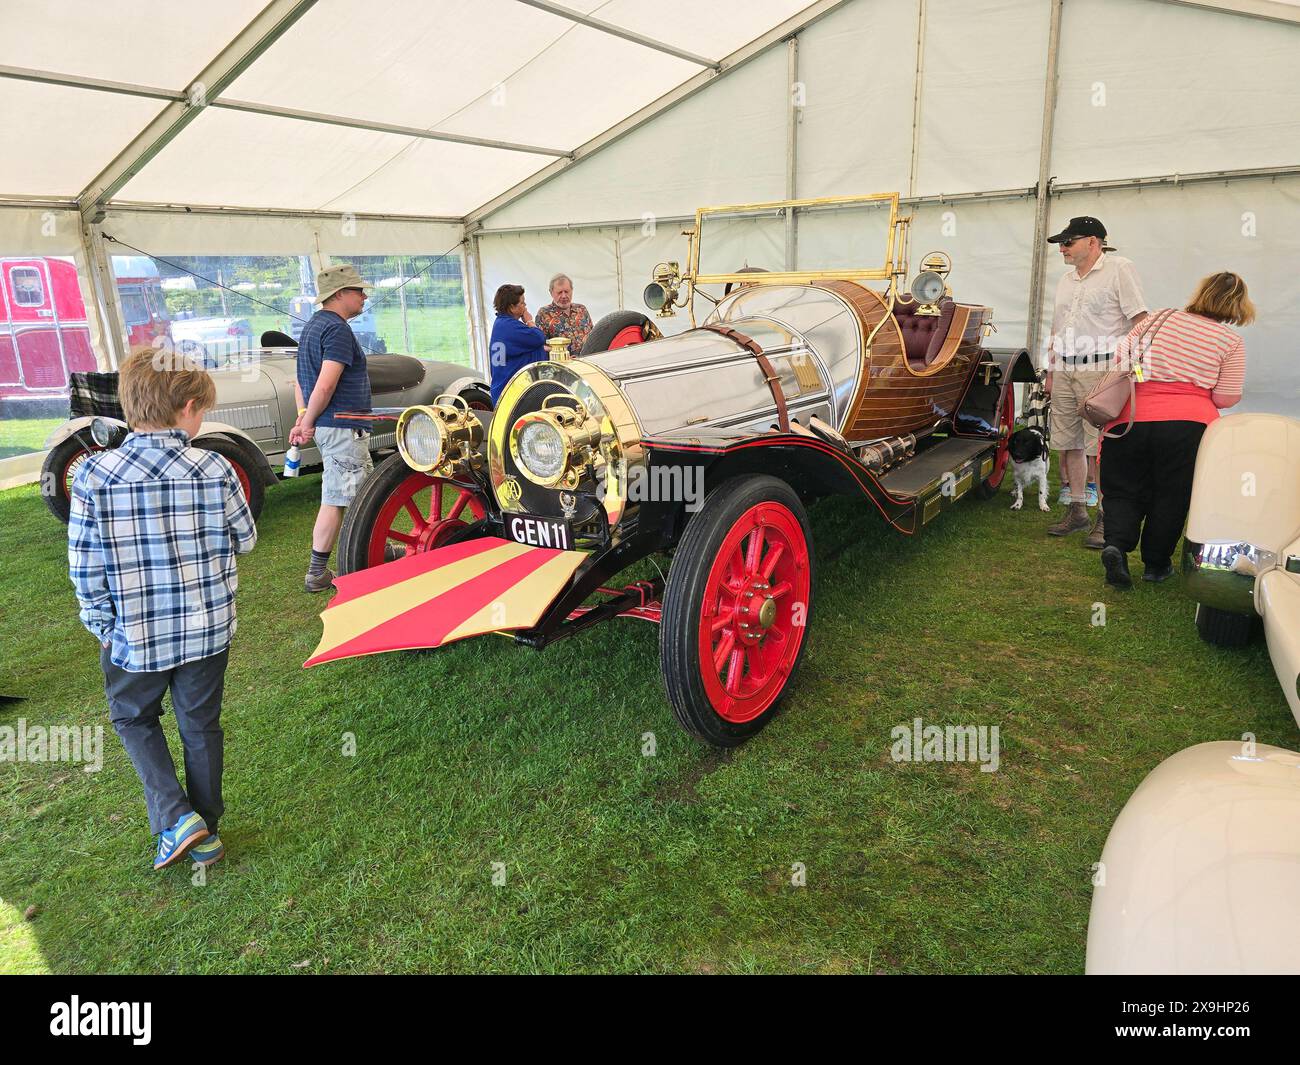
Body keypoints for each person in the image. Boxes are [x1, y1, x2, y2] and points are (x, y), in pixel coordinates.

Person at [68, 348, 257, 870]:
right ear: (190, 407)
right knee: (200, 725)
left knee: (133, 718)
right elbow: (244, 539)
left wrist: (101, 624)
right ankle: (206, 828)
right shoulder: (215, 466)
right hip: (206, 630)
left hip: (132, 634)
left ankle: (176, 818)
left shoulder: (93, 476)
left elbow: (85, 566)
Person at [1099, 272, 1252, 589]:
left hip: (1132, 418)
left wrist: (1152, 376)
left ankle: (1116, 545)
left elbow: (1121, 362)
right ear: (1238, 305)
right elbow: (1226, 396)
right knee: (1171, 495)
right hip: (1188, 427)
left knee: (1123, 488)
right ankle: (1156, 565)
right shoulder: (1230, 342)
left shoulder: (1156, 320)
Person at [1043, 216, 1148, 547]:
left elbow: (1140, 320)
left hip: (1102, 367)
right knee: (1068, 440)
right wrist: (1051, 369)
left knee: (1098, 446)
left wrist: (1127, 368)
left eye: (1068, 242)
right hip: (1065, 367)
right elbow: (1057, 327)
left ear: (1093, 241)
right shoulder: (1066, 279)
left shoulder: (1120, 268)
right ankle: (1077, 509)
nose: (1062, 248)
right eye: (1061, 243)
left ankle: (1105, 515)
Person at [289, 264, 375, 593]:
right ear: (339, 295)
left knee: (350, 494)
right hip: (342, 426)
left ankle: (369, 550)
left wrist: (303, 417)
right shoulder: (337, 330)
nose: (364, 296)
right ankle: (318, 572)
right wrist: (307, 422)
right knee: (341, 497)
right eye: (358, 291)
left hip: (332, 425)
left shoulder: (312, 326)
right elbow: (325, 385)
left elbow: (302, 381)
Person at [489, 284, 547, 405]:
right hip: (512, 395)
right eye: (522, 303)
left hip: (504, 391)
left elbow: (524, 348)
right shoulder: (510, 327)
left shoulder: (501, 324)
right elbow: (539, 337)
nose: (525, 307)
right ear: (512, 307)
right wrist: (529, 320)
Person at [534, 273, 593, 356]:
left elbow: (592, 335)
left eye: (566, 291)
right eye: (559, 292)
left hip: (588, 361)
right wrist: (562, 354)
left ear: (572, 290)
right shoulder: (544, 314)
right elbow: (541, 345)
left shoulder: (581, 309)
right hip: (563, 365)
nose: (564, 296)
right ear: (551, 293)